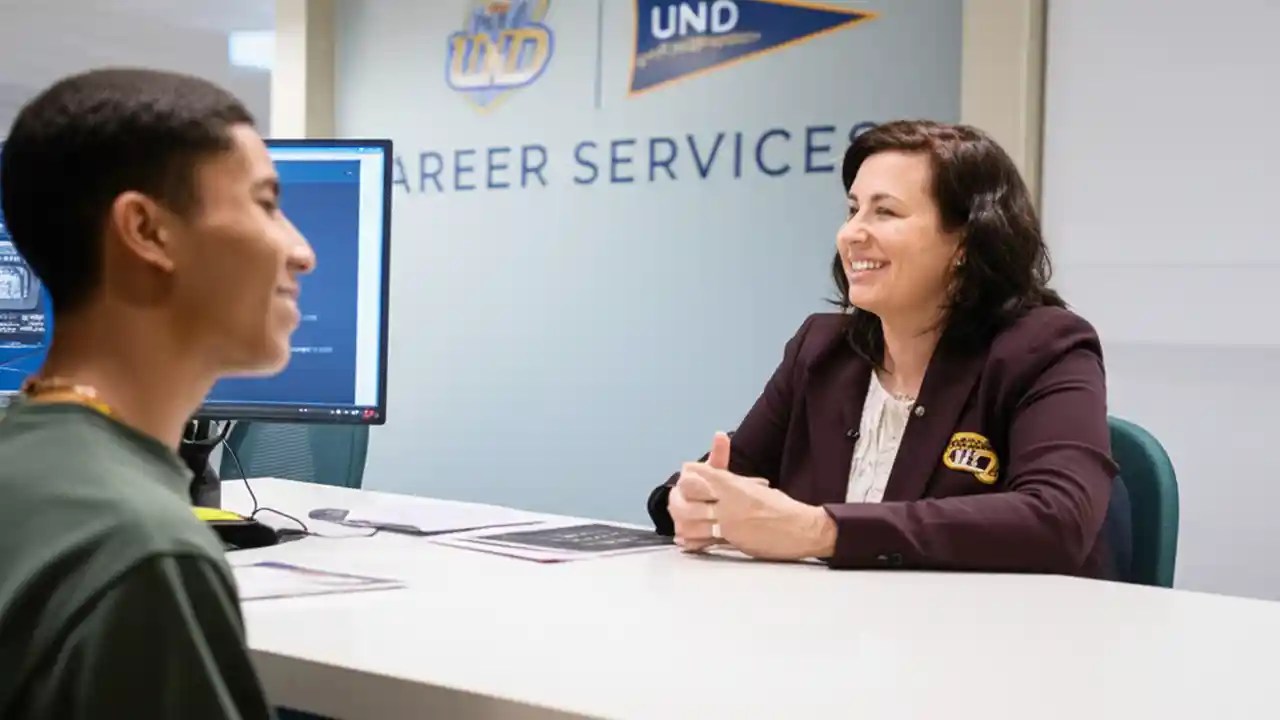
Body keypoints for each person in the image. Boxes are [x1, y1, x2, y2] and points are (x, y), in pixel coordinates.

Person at [647, 119, 1121, 578]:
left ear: (966, 241)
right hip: (832, 624)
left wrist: (820, 531)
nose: (852, 233)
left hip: (993, 627)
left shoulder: (1046, 347)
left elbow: (1057, 518)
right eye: (853, 210)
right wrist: (687, 502)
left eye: (885, 212)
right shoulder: (822, 350)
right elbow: (730, 473)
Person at [0, 68, 315, 718]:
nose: (301, 250)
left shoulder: (23, 469)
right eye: (265, 204)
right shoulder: (145, 552)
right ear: (145, 230)